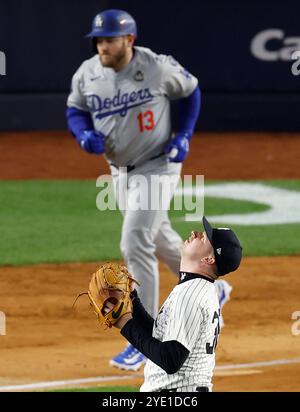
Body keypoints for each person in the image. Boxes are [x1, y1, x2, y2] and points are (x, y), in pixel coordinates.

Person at [66, 9, 232, 371]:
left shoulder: (156, 67)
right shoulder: (87, 73)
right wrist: (82, 134)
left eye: (108, 39)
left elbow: (191, 91)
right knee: (156, 237)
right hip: (120, 171)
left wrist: (184, 135)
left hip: (158, 165)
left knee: (134, 239)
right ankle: (214, 286)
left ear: (129, 39)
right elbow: (75, 109)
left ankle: (150, 336)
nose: (102, 46)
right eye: (98, 40)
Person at [104, 217, 242, 392]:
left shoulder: (191, 294)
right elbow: (161, 337)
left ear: (209, 259)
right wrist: (132, 298)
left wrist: (125, 324)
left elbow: (170, 360)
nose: (195, 233)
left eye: (204, 238)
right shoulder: (196, 287)